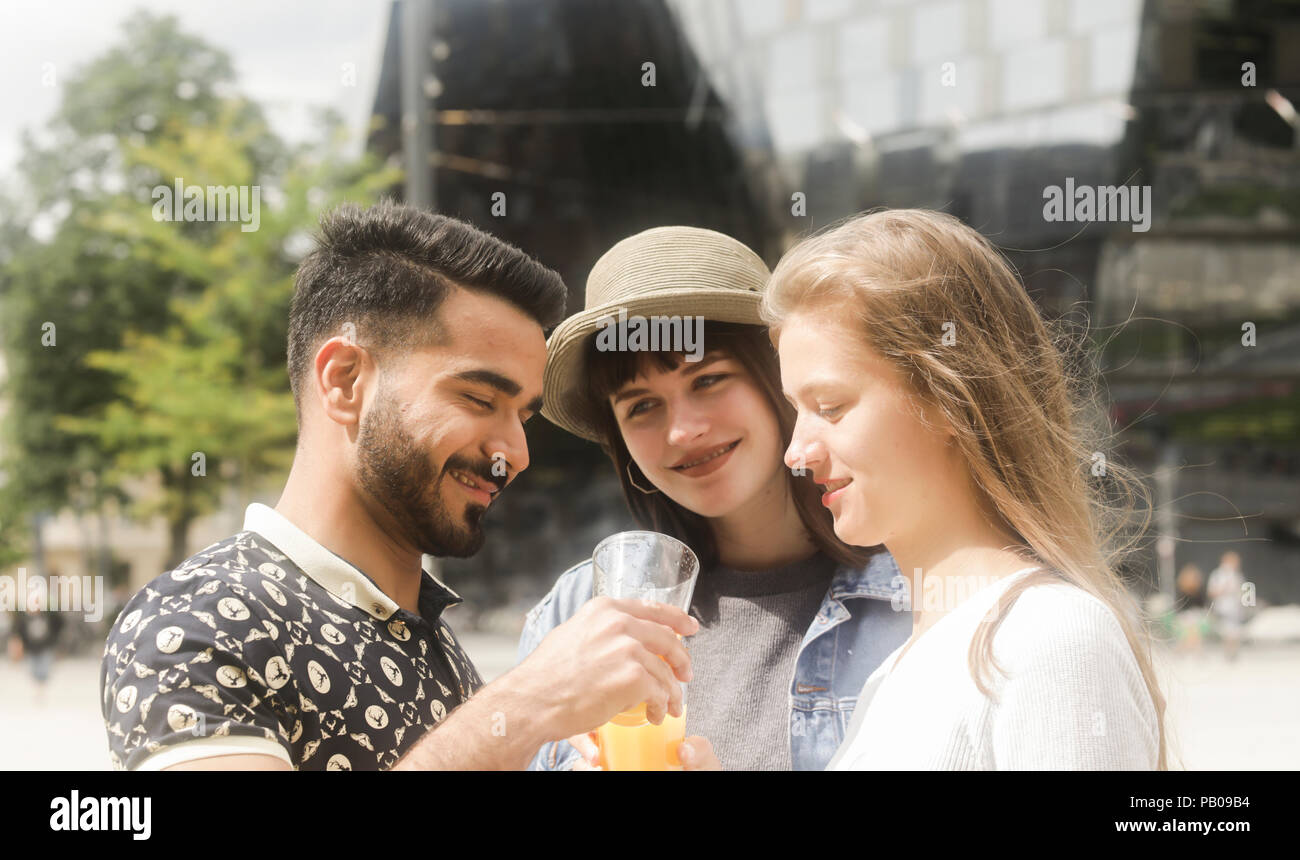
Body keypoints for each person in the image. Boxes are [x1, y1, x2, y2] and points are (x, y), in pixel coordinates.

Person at [100, 201, 698, 771]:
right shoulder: (192, 627)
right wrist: (527, 706)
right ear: (345, 380)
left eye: (523, 416)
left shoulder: (427, 633)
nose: (514, 454)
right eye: (479, 398)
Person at [760, 208, 1168, 770]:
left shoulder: (1048, 638)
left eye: (830, 407)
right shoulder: (902, 663)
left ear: (951, 397)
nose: (796, 453)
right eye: (796, 411)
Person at [516, 226, 911, 771]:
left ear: (780, 382)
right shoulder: (580, 611)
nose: (682, 431)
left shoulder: (916, 593)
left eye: (708, 381)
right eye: (641, 406)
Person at [9, 590, 64, 704]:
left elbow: (59, 624)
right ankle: (37, 689)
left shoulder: (48, 615)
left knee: (44, 669)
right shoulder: (23, 618)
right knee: (33, 670)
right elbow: (18, 632)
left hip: (45, 647)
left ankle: (41, 689)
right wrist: (18, 646)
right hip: (31, 648)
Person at [1207, 551, 1247, 661]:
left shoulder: (1237, 575)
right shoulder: (1217, 575)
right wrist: (1224, 589)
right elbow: (1211, 592)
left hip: (1236, 609)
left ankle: (1233, 654)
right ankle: (1228, 653)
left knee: (1236, 632)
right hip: (1223, 609)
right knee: (1227, 632)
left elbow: (1242, 591)